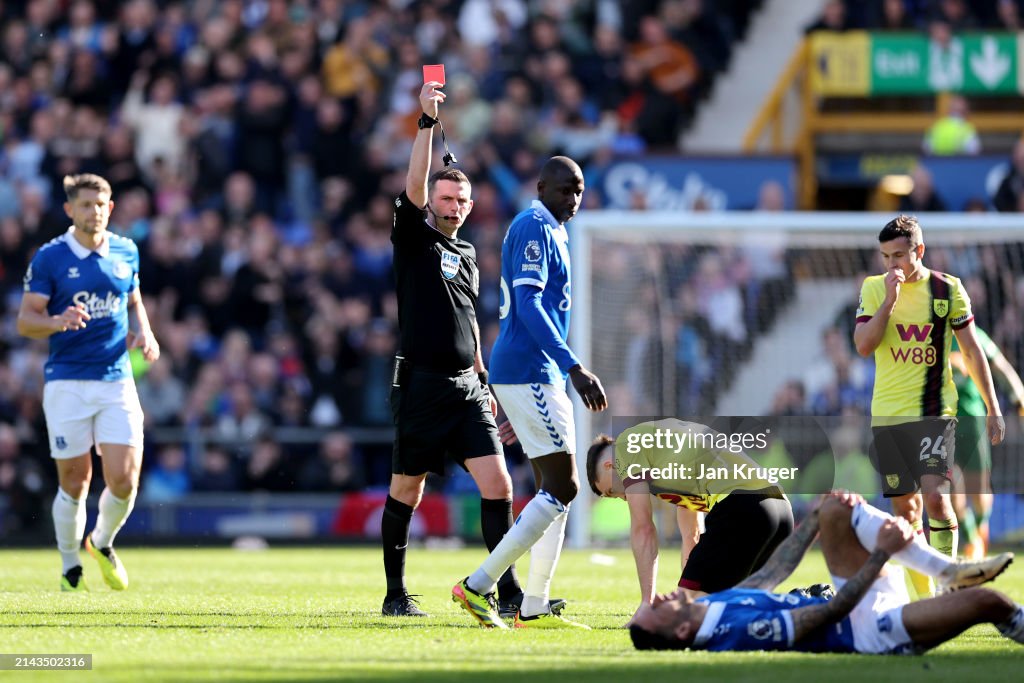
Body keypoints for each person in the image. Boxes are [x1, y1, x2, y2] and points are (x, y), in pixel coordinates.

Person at [382, 80, 533, 618]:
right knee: (408, 489)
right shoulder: (413, 235)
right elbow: (415, 186)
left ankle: (508, 591)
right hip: (420, 382)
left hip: (467, 387)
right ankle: (395, 594)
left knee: (498, 483)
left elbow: (468, 320)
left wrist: (485, 380)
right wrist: (426, 122)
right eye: (445, 197)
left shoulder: (468, 251)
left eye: (461, 199)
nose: (453, 205)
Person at [451, 154, 608, 629]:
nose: (573, 198)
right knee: (564, 485)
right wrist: (573, 366)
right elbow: (529, 303)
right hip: (531, 369)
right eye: (564, 189)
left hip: (536, 375)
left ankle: (534, 605)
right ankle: (478, 586)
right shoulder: (533, 225)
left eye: (579, 189)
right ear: (541, 187)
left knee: (554, 490)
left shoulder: (556, 229)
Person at [629, 491, 1019, 653]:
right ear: (681, 631)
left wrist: (812, 520)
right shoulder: (734, 633)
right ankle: (962, 583)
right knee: (989, 602)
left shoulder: (713, 606)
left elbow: (772, 573)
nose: (659, 597)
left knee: (834, 506)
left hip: (855, 601)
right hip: (868, 632)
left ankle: (947, 572)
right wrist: (880, 555)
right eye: (657, 608)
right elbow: (829, 612)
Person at [17, 173, 160, 592]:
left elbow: (133, 298)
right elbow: (26, 321)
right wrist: (55, 322)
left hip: (116, 379)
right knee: (75, 482)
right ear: (69, 210)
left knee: (124, 479)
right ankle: (68, 565)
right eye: (85, 205)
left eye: (100, 204)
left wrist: (145, 332)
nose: (93, 211)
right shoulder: (50, 258)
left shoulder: (126, 251)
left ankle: (102, 542)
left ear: (110, 207)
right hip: (67, 383)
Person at [853, 214, 1005, 597]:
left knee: (936, 498)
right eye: (886, 257)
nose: (892, 265)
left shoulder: (948, 289)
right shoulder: (873, 289)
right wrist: (890, 300)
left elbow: (972, 351)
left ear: (919, 251)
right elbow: (864, 345)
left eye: (900, 256)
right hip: (887, 416)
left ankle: (947, 586)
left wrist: (993, 406)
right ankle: (925, 599)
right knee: (906, 514)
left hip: (935, 412)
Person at [586, 420, 795, 625]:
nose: (622, 498)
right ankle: (810, 602)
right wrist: (692, 580)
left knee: (681, 614)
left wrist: (646, 604)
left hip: (744, 509)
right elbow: (692, 535)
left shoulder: (625, 447)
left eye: (612, 492)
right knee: (731, 610)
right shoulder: (670, 456)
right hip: (781, 513)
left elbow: (644, 528)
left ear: (610, 465)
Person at [949, 326, 1024, 558]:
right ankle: (971, 538)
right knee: (948, 485)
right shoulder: (926, 335)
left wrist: (1018, 396)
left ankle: (981, 524)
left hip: (972, 419)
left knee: (979, 491)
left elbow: (999, 365)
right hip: (940, 418)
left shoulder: (971, 334)